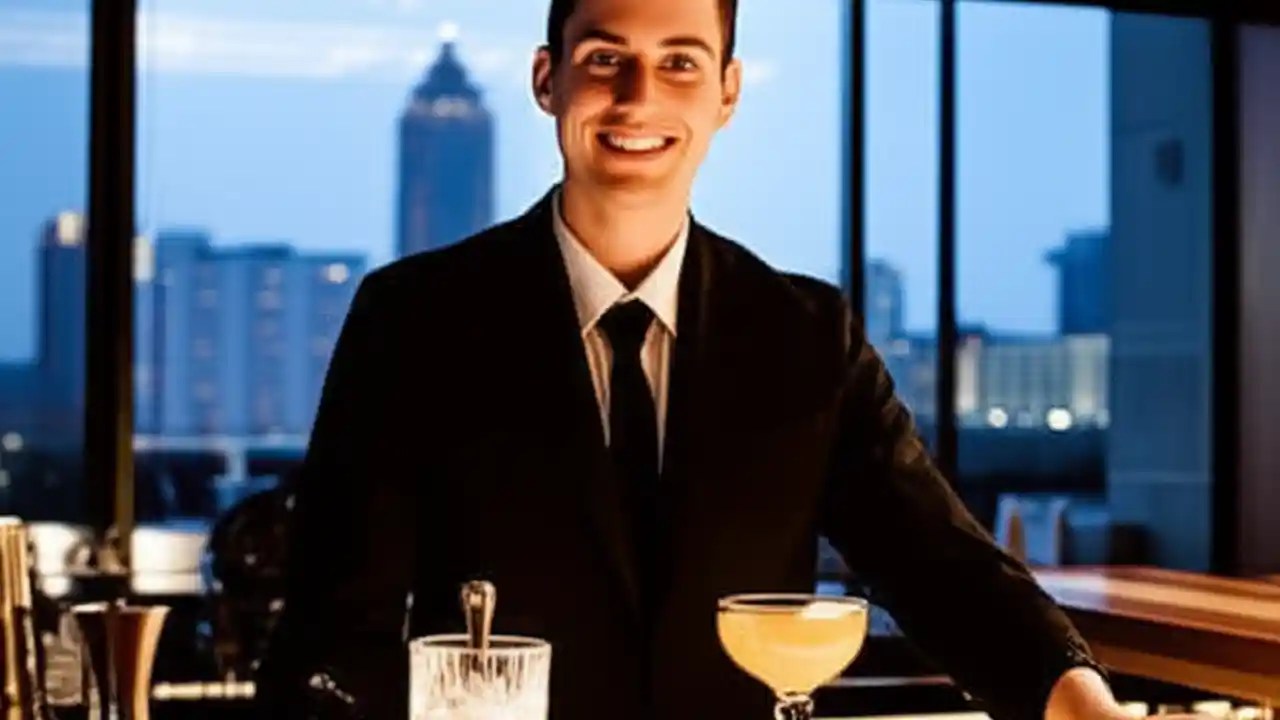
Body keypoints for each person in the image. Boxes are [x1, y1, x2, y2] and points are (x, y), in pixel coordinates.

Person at [255, 1, 1196, 718]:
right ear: (547, 80)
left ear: (727, 92)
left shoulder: (803, 332)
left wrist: (1080, 700)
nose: (638, 98)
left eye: (679, 63)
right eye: (604, 60)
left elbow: (938, 565)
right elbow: (335, 628)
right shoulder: (415, 318)